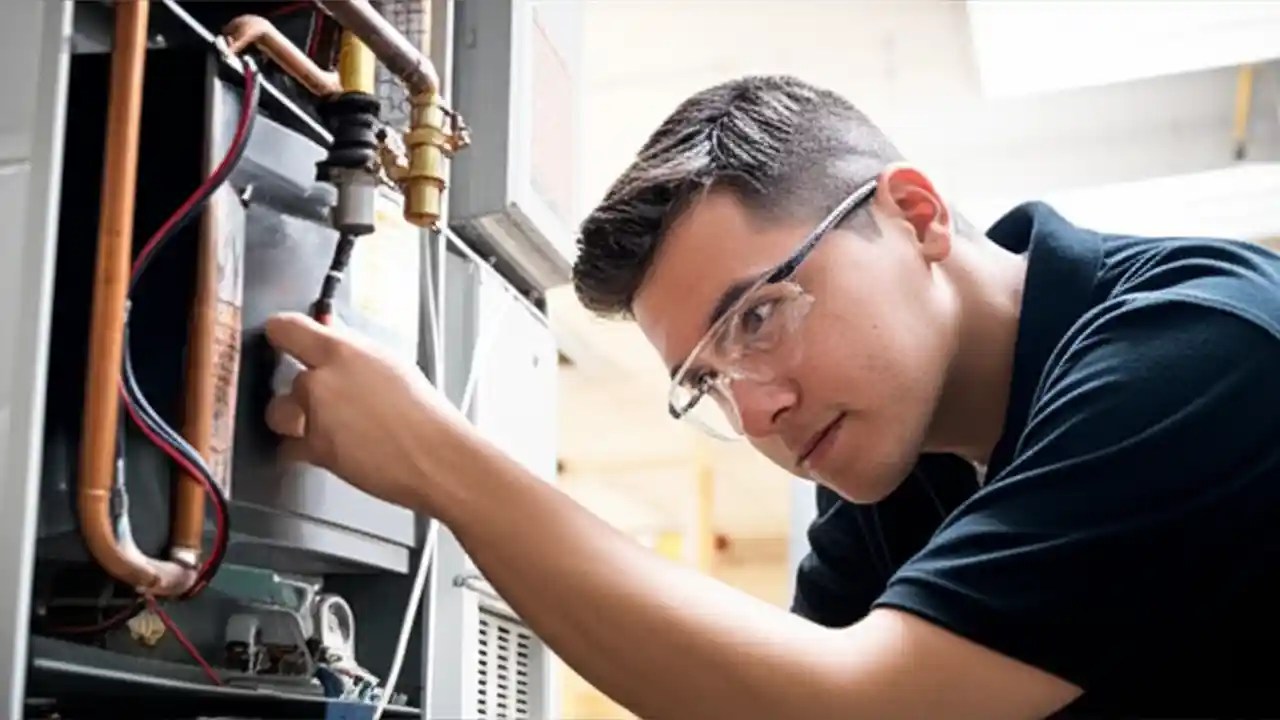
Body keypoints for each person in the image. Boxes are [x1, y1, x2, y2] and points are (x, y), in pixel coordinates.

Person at [264, 75, 1280, 718]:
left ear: (913, 213)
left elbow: (860, 708)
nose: (754, 414)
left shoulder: (1197, 346)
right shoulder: (896, 475)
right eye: (705, 380)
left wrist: (443, 464)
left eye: (756, 317)